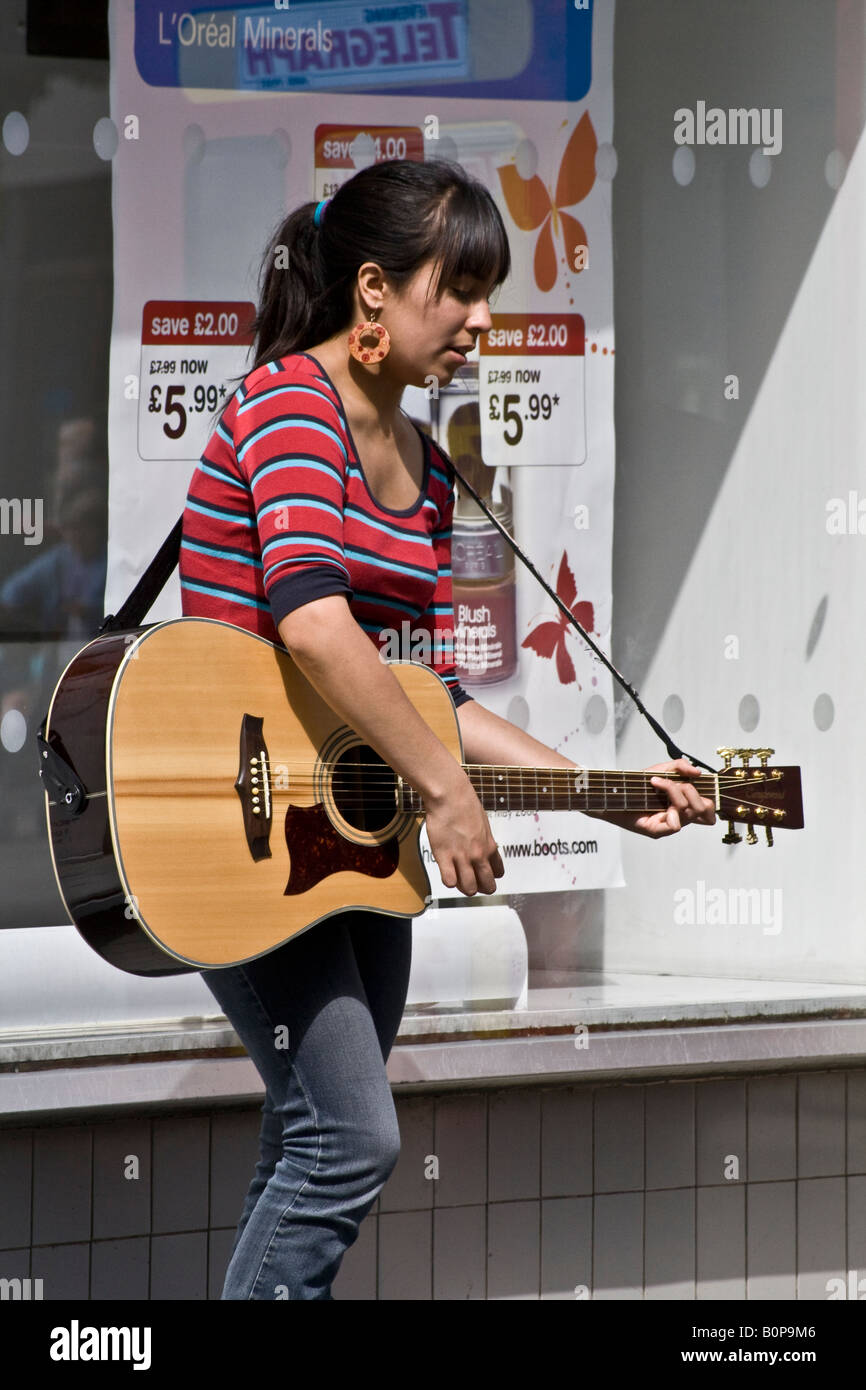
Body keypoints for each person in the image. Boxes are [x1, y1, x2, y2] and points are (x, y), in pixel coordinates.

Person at [179, 158, 715, 1300]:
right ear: (371, 292)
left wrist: (607, 789)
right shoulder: (287, 406)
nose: (481, 319)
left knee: (310, 1132)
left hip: (350, 844)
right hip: (236, 820)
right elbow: (314, 627)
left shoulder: (425, 467)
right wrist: (444, 790)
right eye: (457, 288)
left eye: (489, 290)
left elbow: (429, 699)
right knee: (351, 1139)